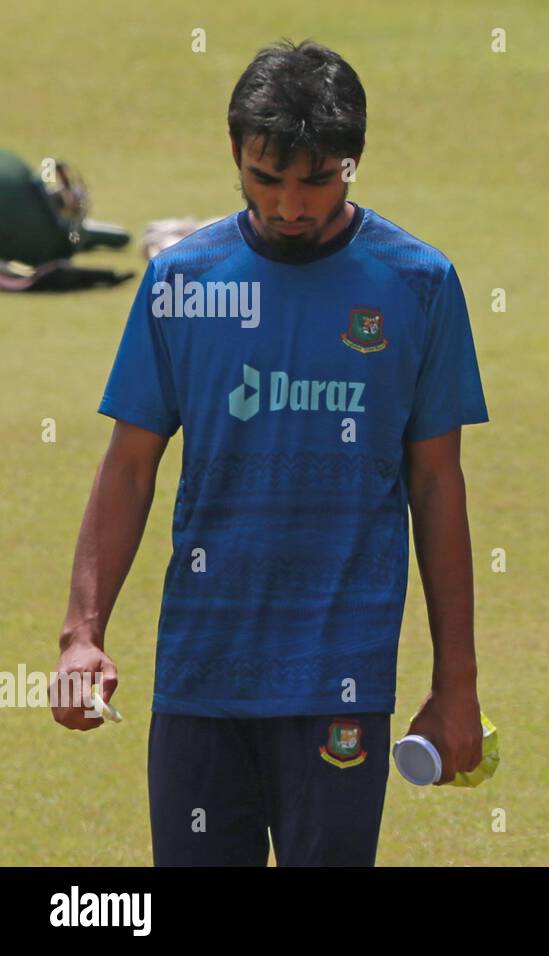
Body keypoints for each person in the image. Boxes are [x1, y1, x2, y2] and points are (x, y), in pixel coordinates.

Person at [51, 39, 490, 866]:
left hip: (341, 682)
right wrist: (82, 633)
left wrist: (455, 682)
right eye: (266, 177)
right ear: (235, 156)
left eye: (317, 179)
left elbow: (437, 486)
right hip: (202, 674)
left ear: (354, 162)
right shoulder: (183, 282)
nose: (290, 204)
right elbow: (129, 465)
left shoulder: (419, 286)